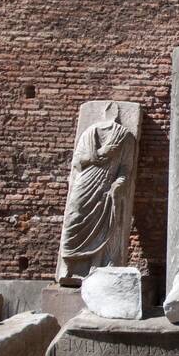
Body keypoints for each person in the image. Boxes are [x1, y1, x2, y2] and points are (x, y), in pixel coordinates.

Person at [57, 102, 137, 285]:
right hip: (84, 182)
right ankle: (68, 267)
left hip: (106, 185)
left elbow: (126, 168)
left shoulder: (125, 137)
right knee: (73, 218)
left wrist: (118, 184)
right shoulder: (89, 133)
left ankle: (97, 268)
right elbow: (77, 163)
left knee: (105, 225)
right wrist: (99, 153)